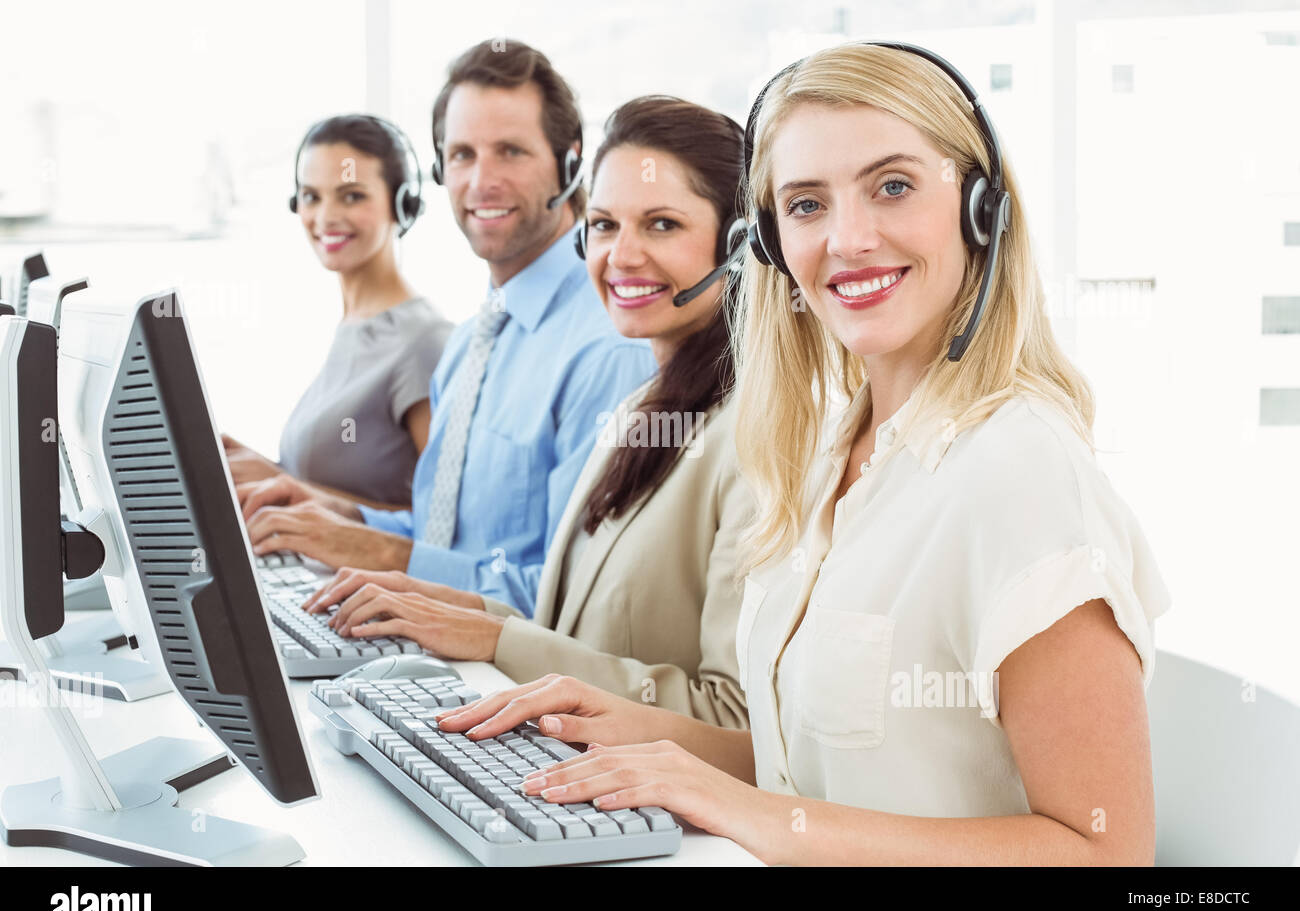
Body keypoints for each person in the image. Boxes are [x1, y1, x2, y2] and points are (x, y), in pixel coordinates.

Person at [432, 42, 1172, 866]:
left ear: (980, 211)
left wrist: (743, 812)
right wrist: (634, 727)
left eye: (892, 186)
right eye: (808, 204)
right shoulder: (822, 454)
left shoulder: (1018, 473)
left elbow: (1107, 856)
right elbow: (814, 775)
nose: (848, 239)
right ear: (774, 245)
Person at [300, 96, 754, 727]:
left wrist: (495, 639)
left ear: (739, 244)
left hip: (658, 806)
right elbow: (570, 625)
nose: (620, 257)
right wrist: (433, 602)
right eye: (603, 225)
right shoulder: (642, 406)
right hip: (573, 766)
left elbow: (738, 722)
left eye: (662, 225)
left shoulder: (752, 440)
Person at [237, 40, 657, 616]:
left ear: (569, 163)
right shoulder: (472, 340)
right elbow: (448, 538)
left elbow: (572, 597)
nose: (481, 181)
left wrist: (381, 554)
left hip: (506, 677)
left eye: (510, 151)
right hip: (429, 648)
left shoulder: (606, 347)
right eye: (461, 155)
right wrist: (337, 514)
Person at [223, 114, 451, 509]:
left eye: (351, 195)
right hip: (308, 567)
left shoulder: (424, 342)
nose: (326, 216)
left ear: (403, 204)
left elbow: (443, 530)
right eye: (312, 196)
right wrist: (261, 471)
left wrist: (283, 485)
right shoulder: (354, 326)